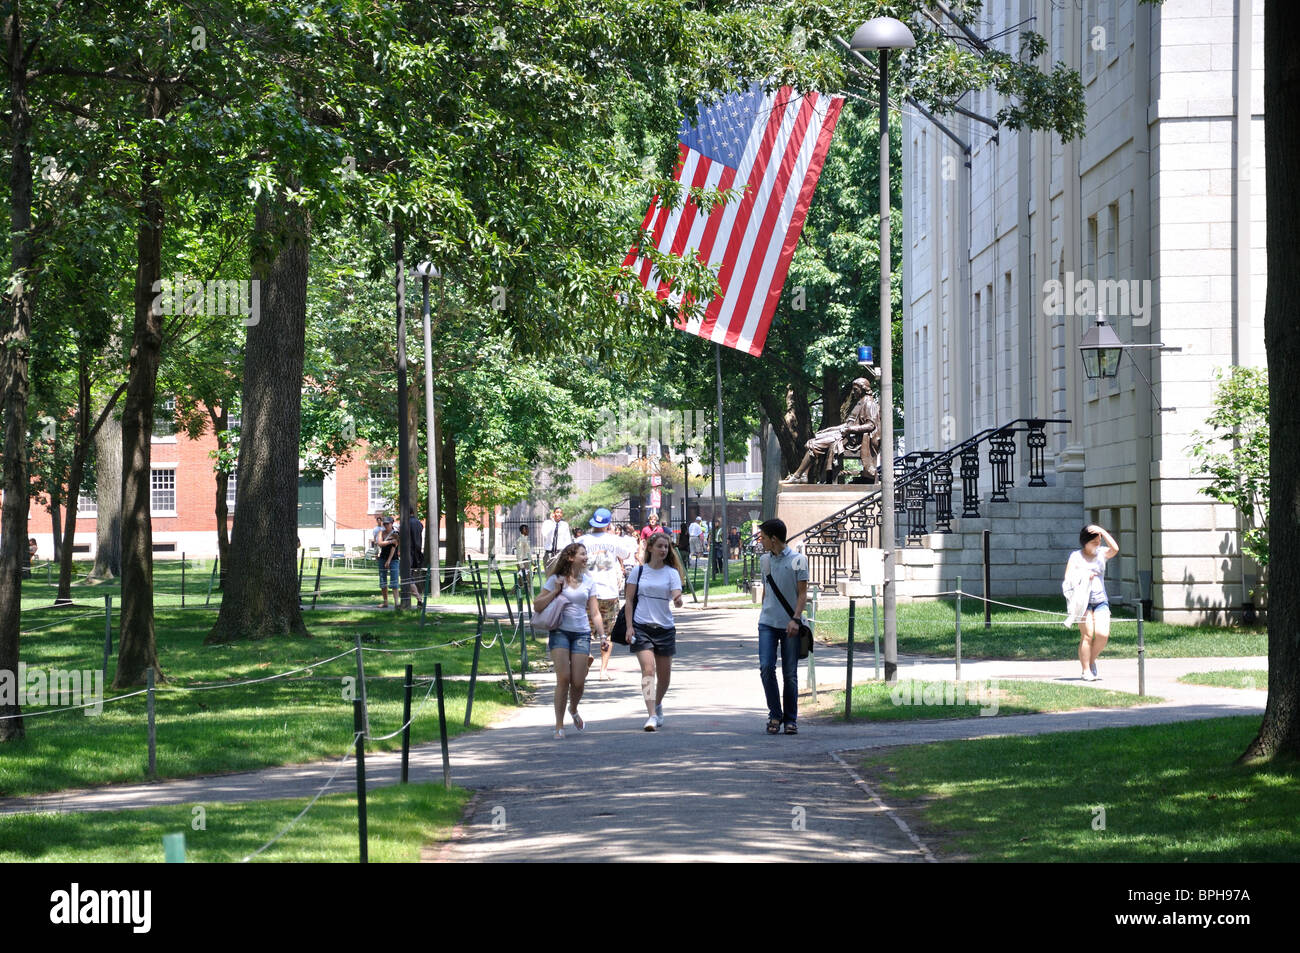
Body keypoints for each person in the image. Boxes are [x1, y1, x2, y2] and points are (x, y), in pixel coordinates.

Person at [534, 542, 604, 739]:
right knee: (563, 678)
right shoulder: (556, 580)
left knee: (578, 682)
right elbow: (537, 605)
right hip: (560, 632)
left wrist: (603, 635)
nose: (586, 557)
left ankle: (573, 708)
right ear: (571, 557)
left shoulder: (589, 582)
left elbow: (595, 612)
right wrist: (555, 591)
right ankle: (558, 725)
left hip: (581, 633)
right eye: (583, 554)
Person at [624, 531, 684, 731]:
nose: (663, 550)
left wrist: (678, 599)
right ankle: (651, 715)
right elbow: (629, 601)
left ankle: (657, 704)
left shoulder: (671, 573)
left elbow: (676, 593)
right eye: (659, 546)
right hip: (642, 627)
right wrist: (630, 626)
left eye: (666, 547)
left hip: (665, 628)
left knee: (665, 678)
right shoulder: (638, 572)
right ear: (650, 548)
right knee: (648, 670)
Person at [756, 518, 808, 735]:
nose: (761, 541)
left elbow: (802, 593)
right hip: (767, 623)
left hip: (790, 624)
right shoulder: (764, 561)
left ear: (774, 539)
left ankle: (791, 719)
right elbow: (767, 590)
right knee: (766, 668)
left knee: (790, 673)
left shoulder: (798, 560)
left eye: (764, 537)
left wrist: (795, 619)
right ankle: (775, 714)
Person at [783, 377, 881, 484]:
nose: (853, 392)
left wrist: (850, 429)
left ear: (863, 389)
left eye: (856, 389)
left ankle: (797, 476)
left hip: (854, 440)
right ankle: (804, 475)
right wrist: (829, 429)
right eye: (853, 389)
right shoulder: (860, 403)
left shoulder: (869, 404)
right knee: (815, 438)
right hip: (846, 435)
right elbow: (848, 424)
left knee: (814, 444)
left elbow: (871, 425)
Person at [575, 507, 633, 681]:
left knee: (584, 630)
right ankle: (603, 670)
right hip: (609, 591)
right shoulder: (614, 540)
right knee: (607, 633)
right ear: (608, 524)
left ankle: (585, 657)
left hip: (587, 591)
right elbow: (627, 553)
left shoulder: (582, 540)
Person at [1063, 524, 1119, 681]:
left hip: (1101, 600)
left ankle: (1091, 660)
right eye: (1094, 542)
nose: (1097, 545)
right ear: (1085, 541)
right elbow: (1067, 580)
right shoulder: (1076, 556)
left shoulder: (1101, 553)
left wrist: (1102, 532)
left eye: (1098, 541)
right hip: (1083, 602)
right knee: (1087, 635)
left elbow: (1115, 549)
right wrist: (1083, 577)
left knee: (1102, 635)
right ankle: (1086, 669)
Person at [376, 516, 399, 607]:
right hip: (382, 558)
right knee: (382, 580)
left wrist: (389, 561)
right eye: (384, 524)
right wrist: (390, 542)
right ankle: (385, 602)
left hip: (393, 559)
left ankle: (397, 603)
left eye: (387, 524)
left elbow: (394, 547)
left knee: (394, 580)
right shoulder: (381, 532)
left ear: (392, 523)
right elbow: (380, 543)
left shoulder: (396, 533)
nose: (385, 525)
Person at [405, 507, 424, 604]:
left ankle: (419, 598)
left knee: (408, 577)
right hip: (417, 552)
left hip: (409, 554)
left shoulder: (407, 523)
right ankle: (417, 598)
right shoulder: (419, 523)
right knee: (411, 577)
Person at [514, 525, 533, 593]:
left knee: (522, 579)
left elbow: (528, 552)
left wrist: (533, 562)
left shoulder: (525, 539)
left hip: (527, 561)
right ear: (523, 530)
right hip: (523, 562)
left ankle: (512, 592)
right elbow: (519, 554)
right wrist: (521, 565)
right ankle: (530, 594)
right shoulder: (520, 540)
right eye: (526, 529)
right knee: (527, 579)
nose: (528, 531)